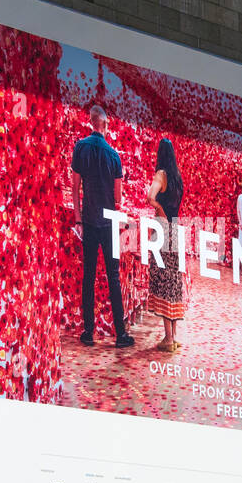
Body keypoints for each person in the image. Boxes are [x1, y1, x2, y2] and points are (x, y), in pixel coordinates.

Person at [71, 105, 134, 348]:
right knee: (113, 277)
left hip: (87, 219)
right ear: (106, 125)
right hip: (108, 222)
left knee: (88, 276)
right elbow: (118, 198)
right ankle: (120, 334)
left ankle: (88, 331)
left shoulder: (80, 148)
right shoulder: (114, 156)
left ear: (90, 122)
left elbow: (75, 188)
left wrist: (78, 219)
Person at [146, 138, 186, 352]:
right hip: (175, 230)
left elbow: (150, 197)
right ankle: (174, 336)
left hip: (162, 230)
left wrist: (159, 209)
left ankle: (168, 338)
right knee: (173, 281)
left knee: (162, 279)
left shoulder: (161, 175)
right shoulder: (177, 177)